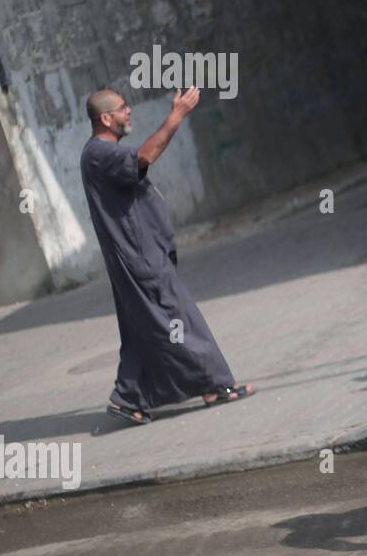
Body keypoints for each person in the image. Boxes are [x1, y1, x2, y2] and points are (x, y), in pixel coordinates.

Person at [80, 87, 254, 425]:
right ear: (105, 118)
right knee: (178, 319)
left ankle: (129, 398)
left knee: (140, 326)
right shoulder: (99, 153)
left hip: (139, 253)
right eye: (122, 107)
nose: (128, 111)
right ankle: (214, 385)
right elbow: (143, 157)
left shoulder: (97, 154)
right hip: (140, 257)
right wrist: (176, 116)